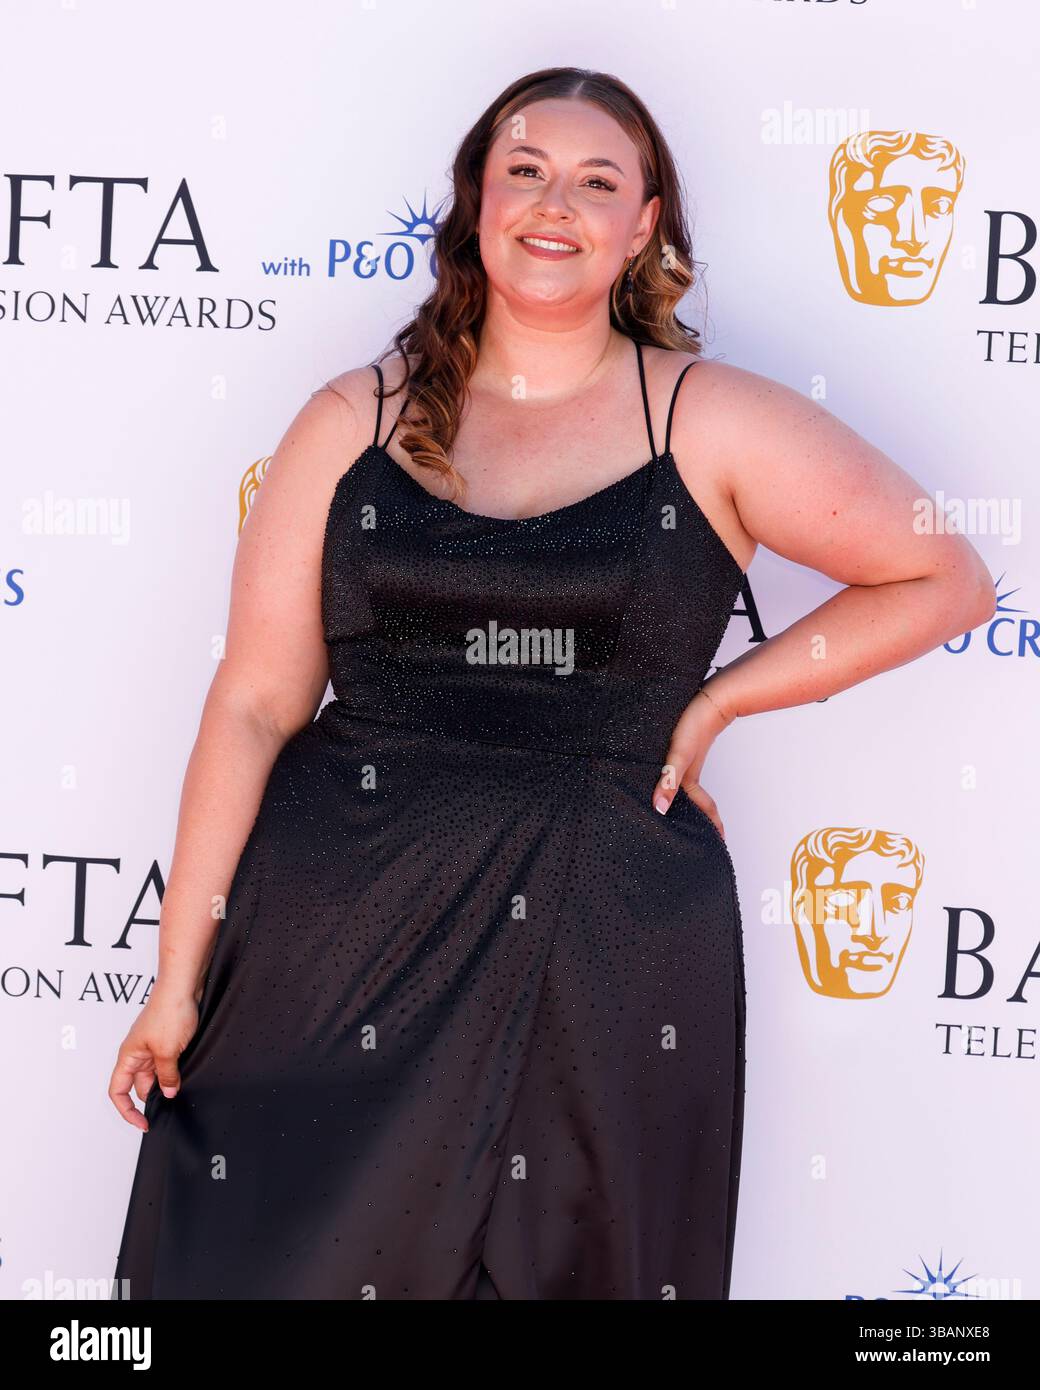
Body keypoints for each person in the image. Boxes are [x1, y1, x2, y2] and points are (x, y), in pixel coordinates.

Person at [108, 66, 996, 1301]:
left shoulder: (710, 419)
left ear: (643, 227)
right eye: (523, 170)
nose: (552, 204)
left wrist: (715, 700)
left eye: (595, 181)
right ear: (477, 195)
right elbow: (255, 705)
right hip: (337, 932)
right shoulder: (348, 421)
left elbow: (944, 578)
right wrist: (172, 980)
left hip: (598, 943)